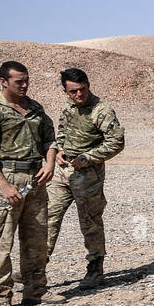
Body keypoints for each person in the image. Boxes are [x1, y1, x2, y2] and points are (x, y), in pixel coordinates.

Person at [0, 61, 57, 306]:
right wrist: (3, 185)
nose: (24, 85)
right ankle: (1, 296)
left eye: (26, 80)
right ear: (3, 81)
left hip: (35, 178)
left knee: (36, 239)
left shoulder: (35, 108)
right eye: (19, 81)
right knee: (2, 241)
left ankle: (35, 290)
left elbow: (50, 138)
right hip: (6, 178)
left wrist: (50, 162)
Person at [46, 68, 126, 288]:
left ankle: (95, 268)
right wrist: (60, 150)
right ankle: (36, 270)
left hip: (87, 174)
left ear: (88, 85)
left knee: (90, 222)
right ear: (65, 91)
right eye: (73, 91)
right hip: (63, 172)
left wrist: (88, 158)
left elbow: (116, 142)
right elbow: (62, 131)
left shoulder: (102, 110)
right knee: (48, 218)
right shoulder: (68, 107)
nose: (79, 95)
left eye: (82, 89)